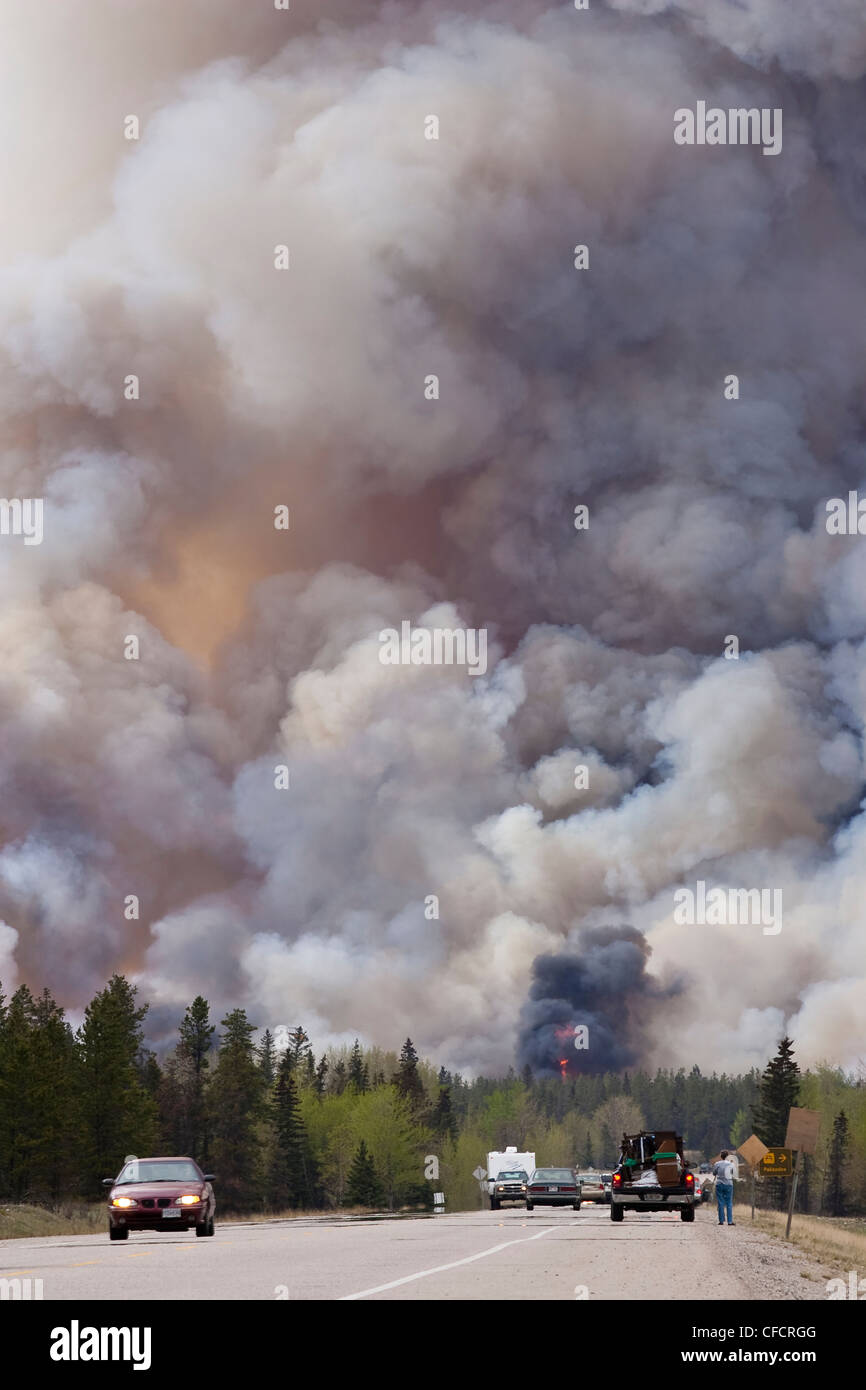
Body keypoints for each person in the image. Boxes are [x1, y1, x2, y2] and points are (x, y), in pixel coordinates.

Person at [712, 1150, 735, 1225]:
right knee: (729, 1203)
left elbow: (714, 1173)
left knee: (720, 1202)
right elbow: (733, 1173)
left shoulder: (717, 1164)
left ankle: (721, 1221)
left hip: (720, 1184)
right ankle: (730, 1221)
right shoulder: (730, 1164)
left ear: (721, 1156)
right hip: (728, 1184)